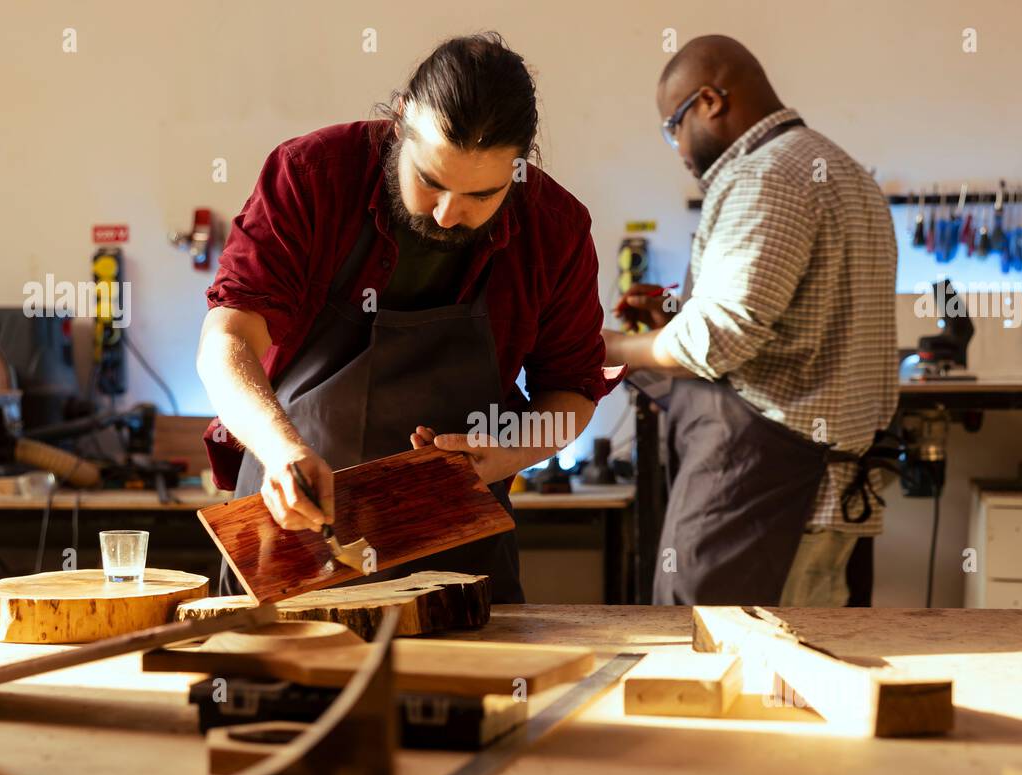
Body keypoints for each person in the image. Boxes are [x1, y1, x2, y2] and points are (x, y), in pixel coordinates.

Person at [197, 33, 619, 601]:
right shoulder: (313, 175)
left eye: (482, 195)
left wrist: (502, 455)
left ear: (519, 169)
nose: (449, 214)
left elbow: (571, 390)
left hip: (456, 543)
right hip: (291, 523)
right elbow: (227, 338)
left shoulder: (556, 227)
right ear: (400, 122)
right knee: (279, 682)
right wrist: (282, 451)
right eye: (431, 181)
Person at [603, 35, 898, 607]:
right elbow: (793, 324)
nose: (680, 149)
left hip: (768, 498)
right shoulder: (846, 170)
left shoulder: (765, 175)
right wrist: (673, 319)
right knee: (807, 682)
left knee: (727, 678)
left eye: (674, 127)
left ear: (710, 101)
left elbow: (718, 339)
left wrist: (617, 346)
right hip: (825, 492)